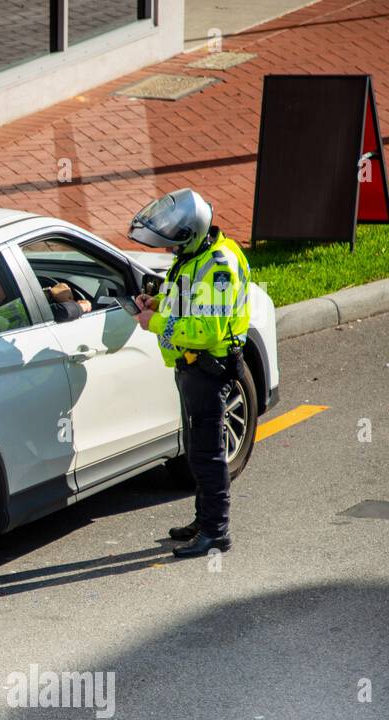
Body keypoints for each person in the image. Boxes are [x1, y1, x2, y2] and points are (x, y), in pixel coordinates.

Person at [129, 188, 251, 559]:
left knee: (209, 455)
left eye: (173, 243)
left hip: (208, 371)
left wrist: (155, 322)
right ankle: (205, 520)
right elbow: (182, 300)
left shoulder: (218, 267)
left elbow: (207, 331)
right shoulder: (194, 256)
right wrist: (156, 303)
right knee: (198, 453)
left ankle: (216, 533)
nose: (169, 251)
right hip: (191, 369)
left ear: (190, 233)